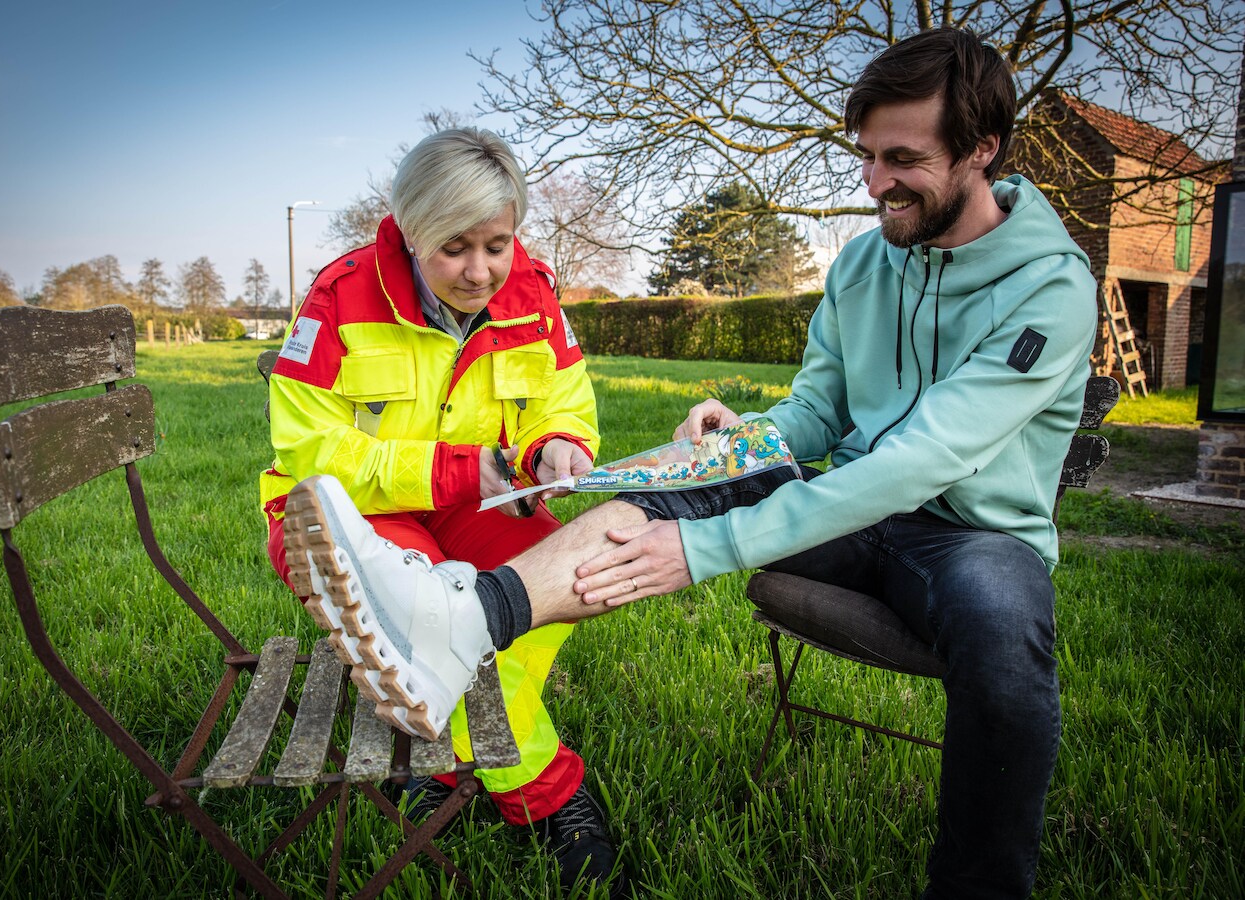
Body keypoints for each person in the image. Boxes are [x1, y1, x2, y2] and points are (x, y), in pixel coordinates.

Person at [283, 28, 1097, 900]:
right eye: (865, 155)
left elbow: (920, 461)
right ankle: (470, 619)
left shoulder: (1049, 286)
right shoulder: (863, 264)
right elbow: (818, 412)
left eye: (902, 159)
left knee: (1007, 654)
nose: (874, 184)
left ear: (982, 149)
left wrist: (708, 548)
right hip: (845, 513)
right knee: (674, 474)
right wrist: (744, 433)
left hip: (971, 539)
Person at [258, 127, 619, 890]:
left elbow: (563, 402)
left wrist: (554, 445)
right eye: (456, 246)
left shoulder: (533, 292)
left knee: (563, 579)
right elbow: (307, 451)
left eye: (498, 243)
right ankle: (543, 793)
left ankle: (445, 762)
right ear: (410, 227)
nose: (482, 270)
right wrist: (458, 469)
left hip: (473, 497)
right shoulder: (338, 293)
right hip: (344, 517)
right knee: (428, 608)